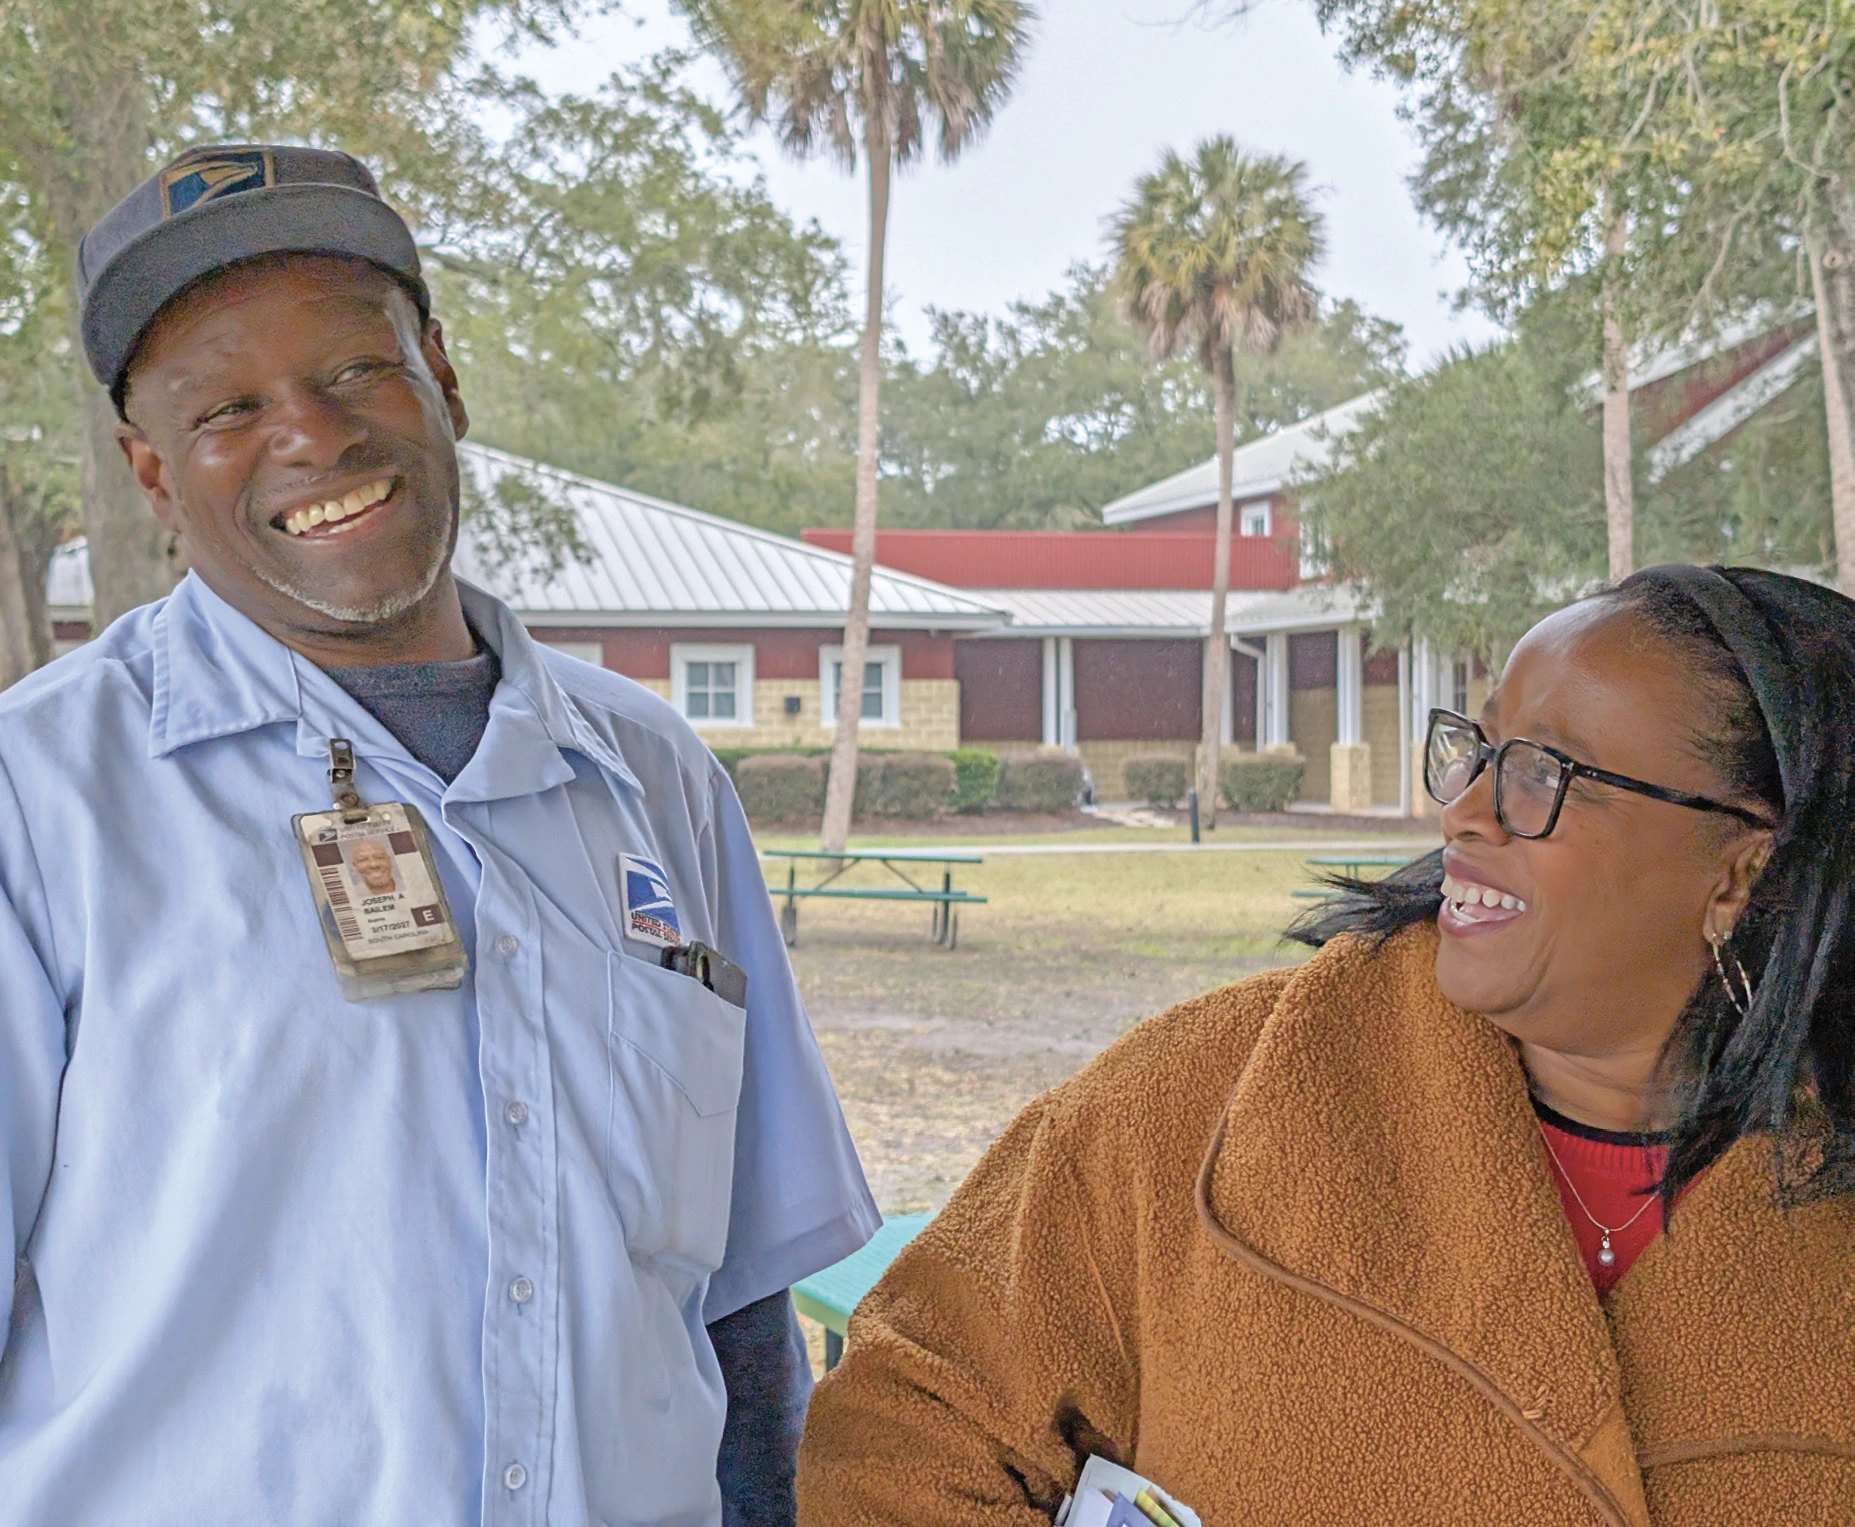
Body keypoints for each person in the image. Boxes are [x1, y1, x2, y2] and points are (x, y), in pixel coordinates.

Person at [0, 144, 879, 1525]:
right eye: (226, 407)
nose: (310, 433)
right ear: (150, 472)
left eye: (352, 368)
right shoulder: (37, 800)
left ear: (441, 376)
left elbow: (739, 1305)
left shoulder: (650, 775)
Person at [797, 564, 1855, 1526]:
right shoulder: (1206, 1095)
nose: (1465, 810)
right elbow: (909, 1417)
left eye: (1547, 773)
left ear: (1742, 872)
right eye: (1478, 750)